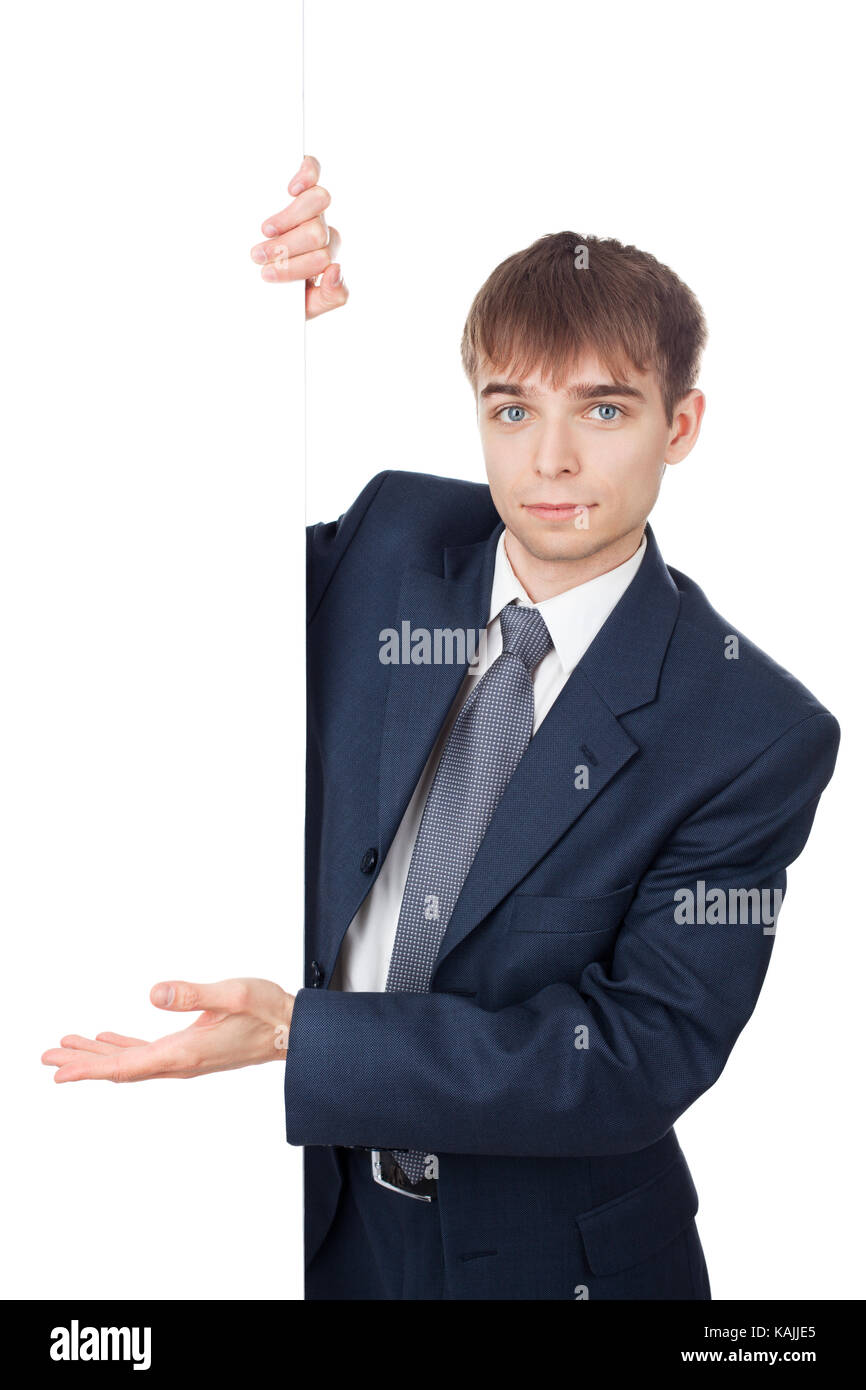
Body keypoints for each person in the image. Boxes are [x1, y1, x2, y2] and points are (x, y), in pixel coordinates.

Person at [42, 156, 841, 1302]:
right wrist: (257, 327)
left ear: (681, 423)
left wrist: (301, 1040)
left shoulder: (753, 729)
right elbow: (158, 567)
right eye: (512, 408)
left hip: (556, 1263)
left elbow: (631, 1058)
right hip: (319, 1228)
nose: (549, 460)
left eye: (601, 409)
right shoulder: (389, 538)